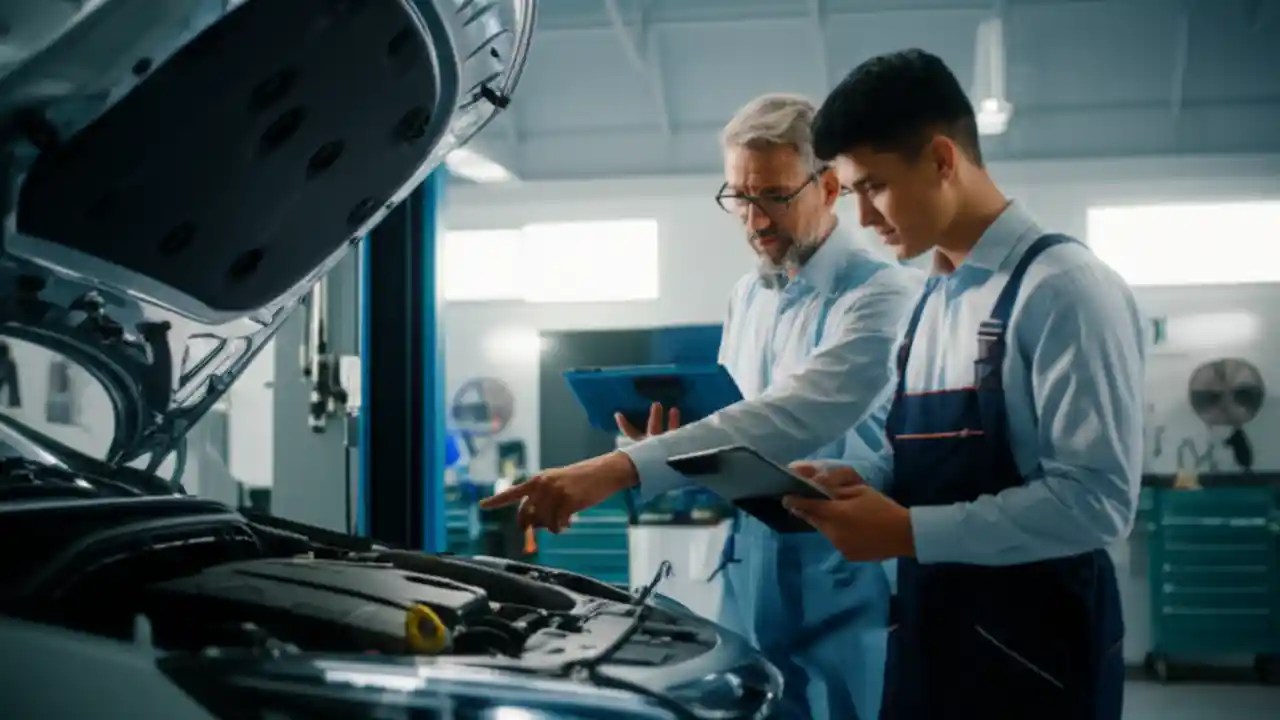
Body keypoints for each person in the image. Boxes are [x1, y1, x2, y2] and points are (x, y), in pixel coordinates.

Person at [482, 93, 922, 719]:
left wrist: (614, 472)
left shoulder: (884, 294)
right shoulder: (749, 296)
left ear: (828, 187)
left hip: (845, 575)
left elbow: (795, 415)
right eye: (740, 197)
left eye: (774, 196)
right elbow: (733, 426)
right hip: (747, 567)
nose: (755, 220)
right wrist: (655, 445)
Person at [780, 49, 1144, 719]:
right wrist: (861, 480)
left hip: (1040, 662)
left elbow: (1097, 501)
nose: (862, 218)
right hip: (932, 643)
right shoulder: (931, 299)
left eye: (874, 187)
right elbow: (922, 456)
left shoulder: (1064, 289)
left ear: (944, 160)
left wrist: (907, 533)